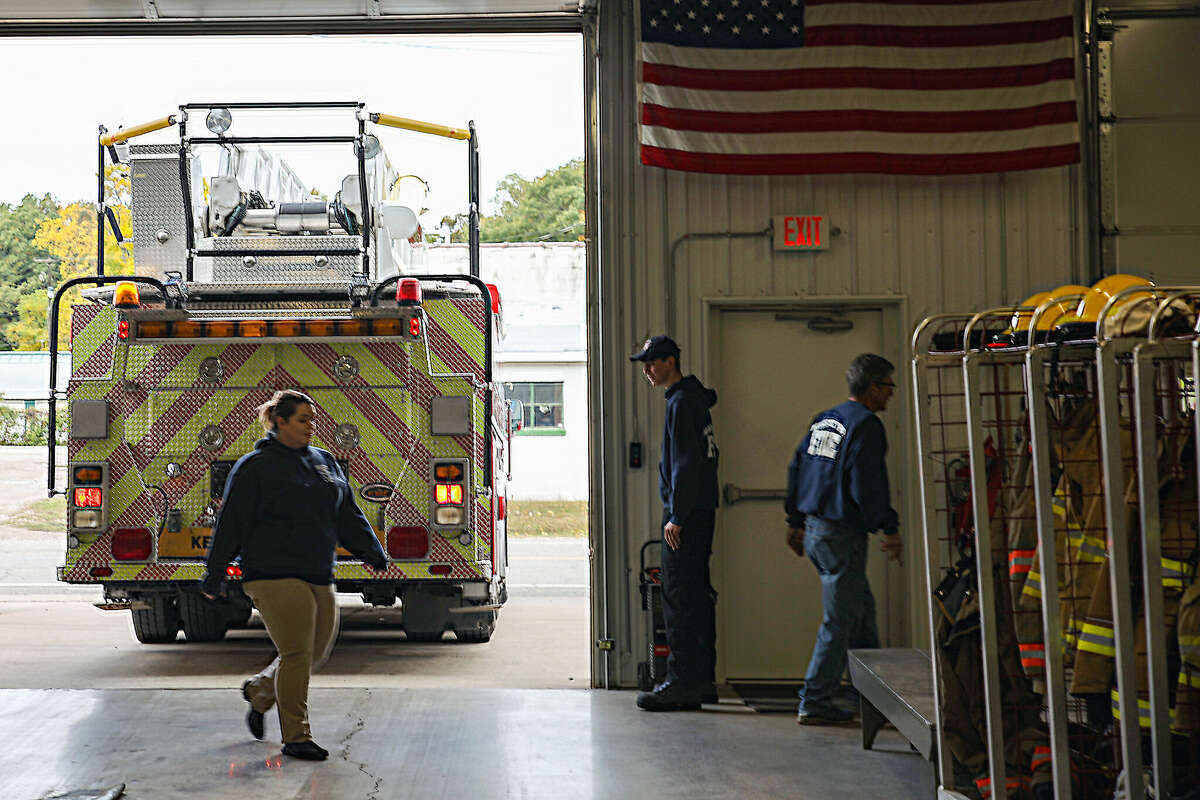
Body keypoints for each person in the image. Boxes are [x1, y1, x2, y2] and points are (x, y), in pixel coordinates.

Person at [201, 389, 389, 760]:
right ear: (279, 422)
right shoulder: (255, 467)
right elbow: (231, 523)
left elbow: (347, 513)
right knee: (298, 652)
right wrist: (215, 572)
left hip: (317, 571)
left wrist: (372, 552)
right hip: (271, 574)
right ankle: (296, 736)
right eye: (303, 419)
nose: (311, 426)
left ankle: (260, 692)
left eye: (313, 419)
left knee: (315, 652)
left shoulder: (325, 463)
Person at [785, 353, 903, 725]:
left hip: (818, 530)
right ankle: (815, 701)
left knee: (861, 615)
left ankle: (868, 697)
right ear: (872, 389)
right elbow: (868, 485)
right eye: (888, 387)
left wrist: (795, 520)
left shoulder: (825, 420)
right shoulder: (866, 426)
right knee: (839, 622)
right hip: (842, 535)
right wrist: (889, 526)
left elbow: (797, 466)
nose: (890, 395)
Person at [630, 336, 720, 711]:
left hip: (687, 516)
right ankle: (702, 681)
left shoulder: (682, 403)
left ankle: (681, 682)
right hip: (702, 513)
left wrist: (677, 517)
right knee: (697, 597)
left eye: (652, 363)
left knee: (680, 597)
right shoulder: (693, 400)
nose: (647, 371)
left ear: (670, 362)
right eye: (644, 365)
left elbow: (687, 464)